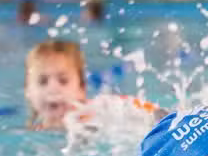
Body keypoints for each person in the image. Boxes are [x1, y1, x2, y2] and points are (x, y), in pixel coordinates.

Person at [24, 40, 162, 131]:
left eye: (63, 80)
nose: (52, 88)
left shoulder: (100, 113)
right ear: (28, 91)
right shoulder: (30, 134)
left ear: (81, 88)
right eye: (42, 81)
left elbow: (149, 112)